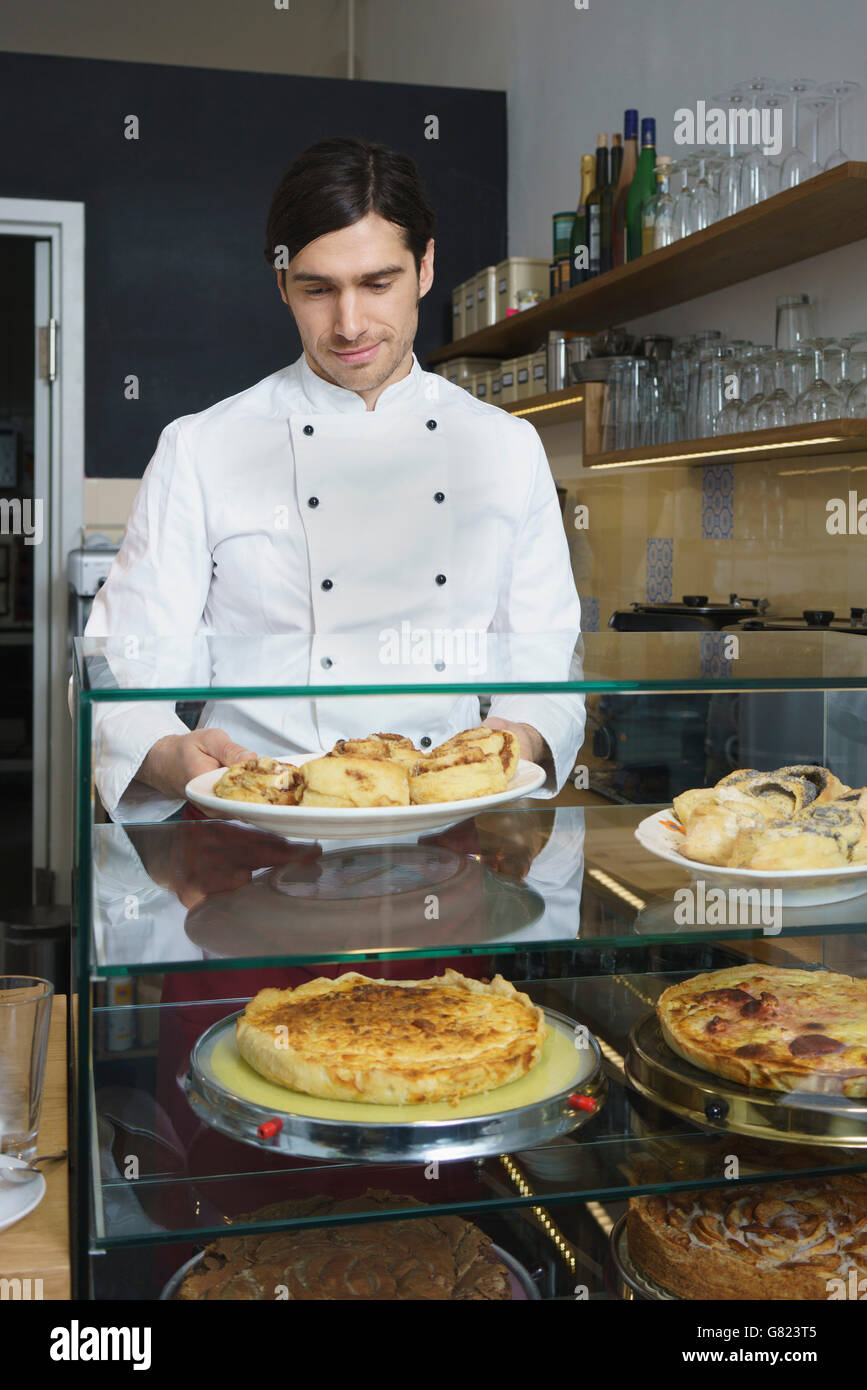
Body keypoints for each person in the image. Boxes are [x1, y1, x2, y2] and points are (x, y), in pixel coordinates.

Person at [79, 135, 584, 822]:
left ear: (425, 266)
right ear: (280, 282)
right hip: (254, 827)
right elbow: (127, 660)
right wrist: (166, 755)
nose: (349, 325)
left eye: (378, 283)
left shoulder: (507, 448)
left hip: (445, 832)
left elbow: (545, 664)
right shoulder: (201, 447)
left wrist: (509, 742)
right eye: (317, 289)